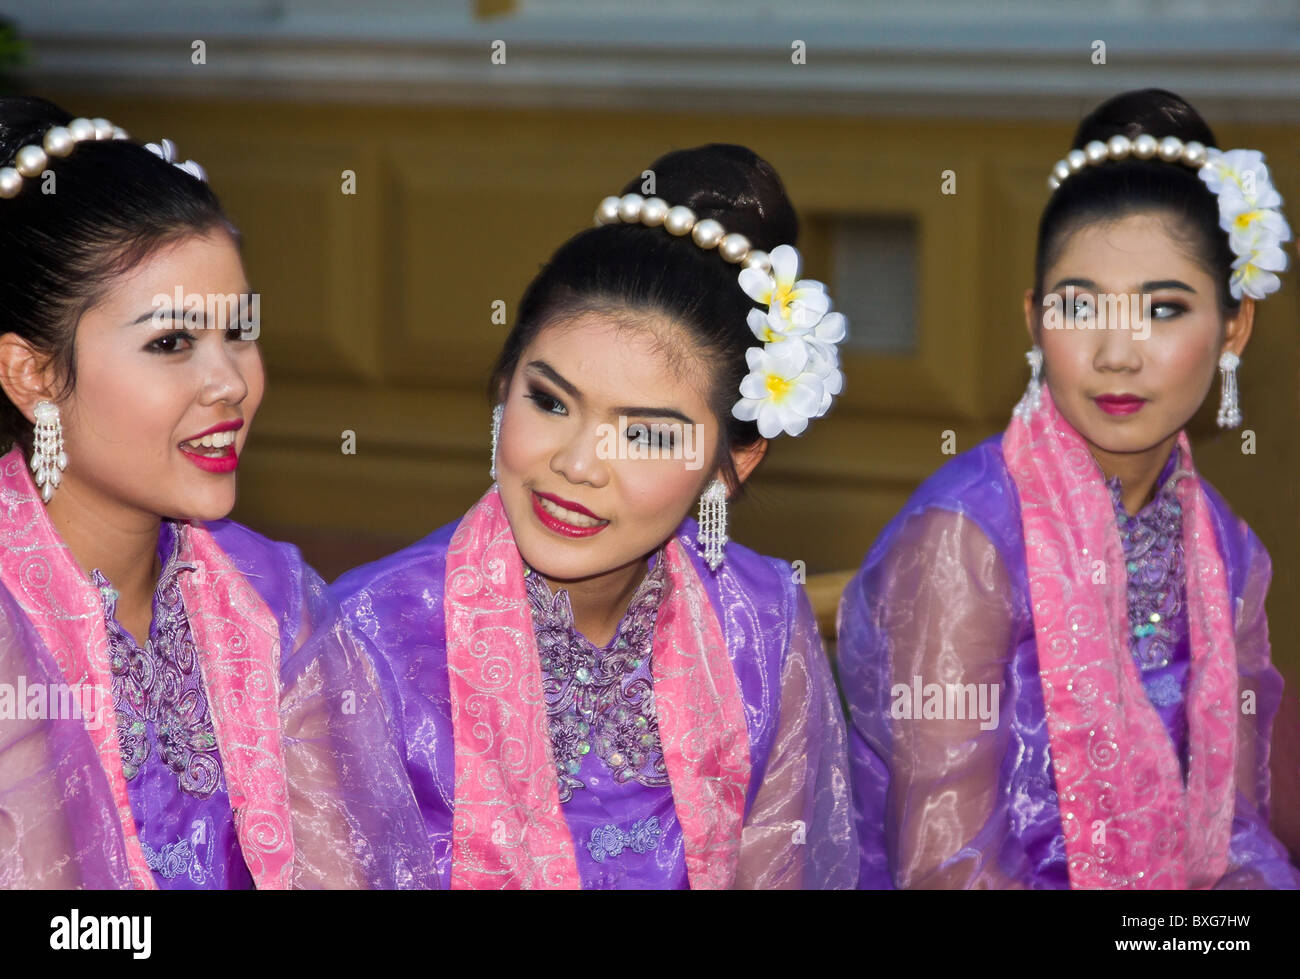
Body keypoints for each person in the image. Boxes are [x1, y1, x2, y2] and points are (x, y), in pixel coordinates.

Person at [327, 144, 856, 889]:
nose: (578, 462)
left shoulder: (762, 627)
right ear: (504, 385)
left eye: (643, 434)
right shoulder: (368, 637)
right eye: (549, 400)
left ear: (734, 463)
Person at [839, 89, 1300, 889]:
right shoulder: (967, 540)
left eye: (1163, 308)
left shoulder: (1225, 547)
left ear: (1235, 328)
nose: (1117, 353)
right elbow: (947, 871)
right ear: (1034, 320)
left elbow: (1236, 832)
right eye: (1080, 305)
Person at [0, 96, 431, 889]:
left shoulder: (271, 598)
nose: (230, 381)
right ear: (33, 374)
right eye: (171, 342)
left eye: (238, 330)